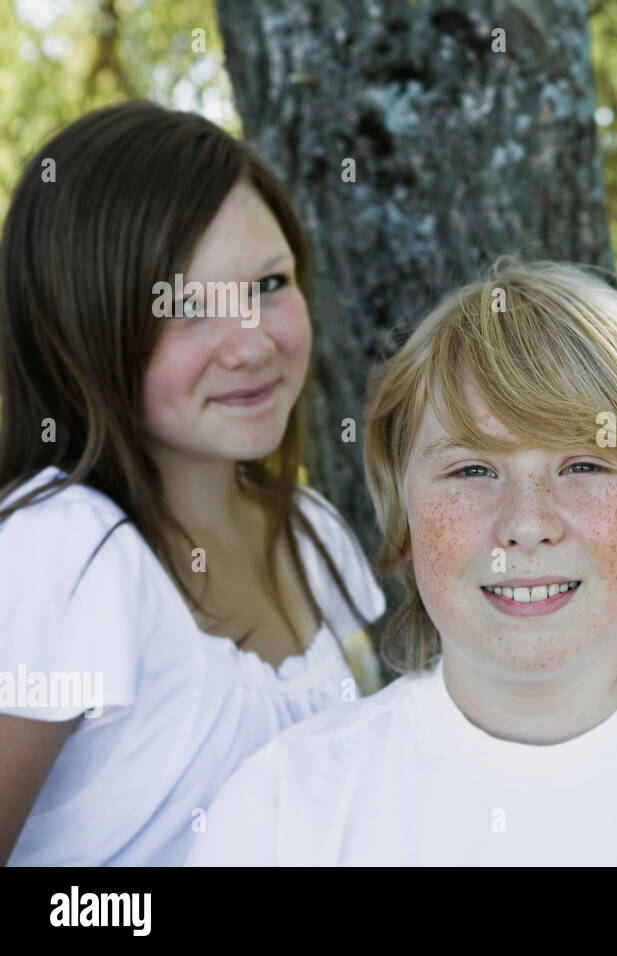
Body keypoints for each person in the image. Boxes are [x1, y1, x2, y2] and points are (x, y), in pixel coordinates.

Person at [185, 260, 617, 866]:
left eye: (583, 465)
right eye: (472, 470)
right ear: (403, 520)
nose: (527, 524)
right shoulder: (281, 809)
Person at [0, 102, 384, 865]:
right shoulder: (62, 554)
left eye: (269, 283)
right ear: (79, 325)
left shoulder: (311, 534)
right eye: (183, 306)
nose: (249, 344)